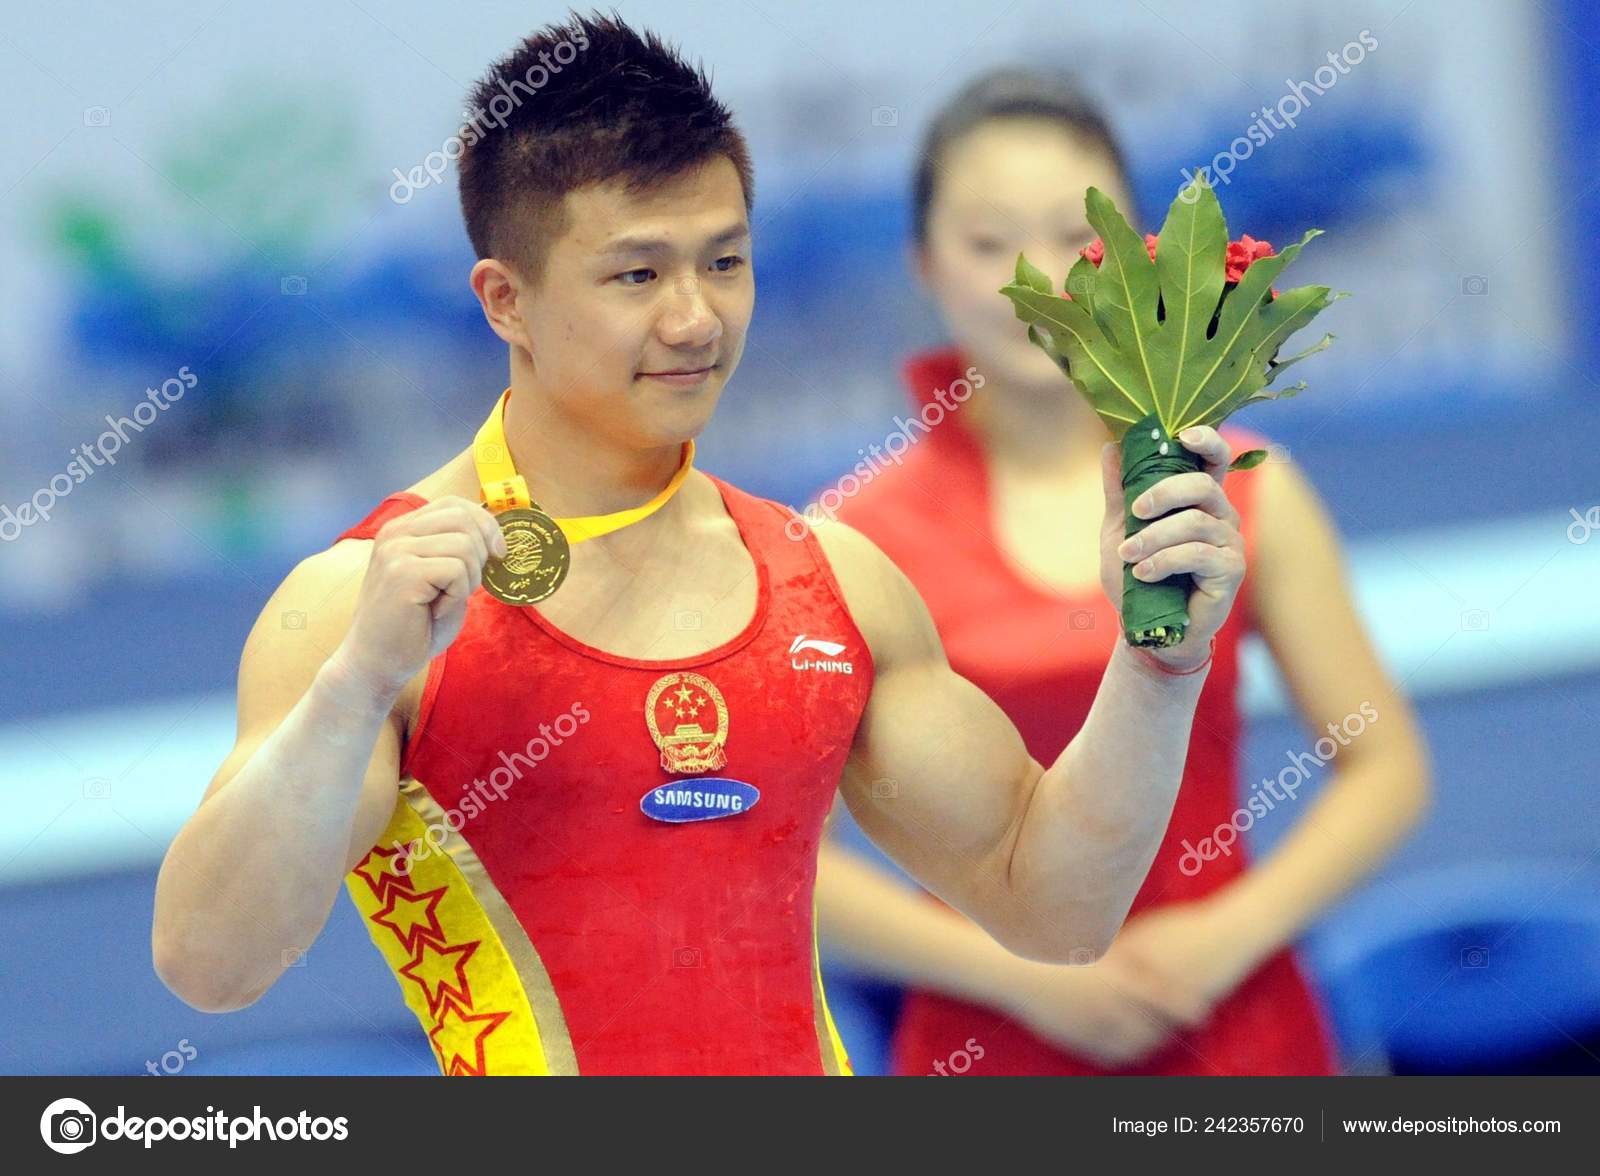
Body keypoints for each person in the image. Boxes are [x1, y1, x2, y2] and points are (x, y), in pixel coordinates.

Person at [151, 18, 1253, 1077]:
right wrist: (354, 690)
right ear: (506, 301)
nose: (695, 319)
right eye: (638, 275)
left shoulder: (831, 584)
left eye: (723, 262)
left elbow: (1051, 909)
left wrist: (1158, 663)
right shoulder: (364, 603)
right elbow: (210, 966)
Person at [814, 69, 1433, 1076]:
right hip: (986, 1041)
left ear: (1145, 259)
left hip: (1233, 1027)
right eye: (986, 242)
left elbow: (1386, 769)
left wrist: (1224, 937)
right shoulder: (850, 538)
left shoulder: (1231, 486)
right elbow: (784, 856)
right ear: (924, 262)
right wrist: (1025, 966)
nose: (1040, 278)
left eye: (1075, 237)